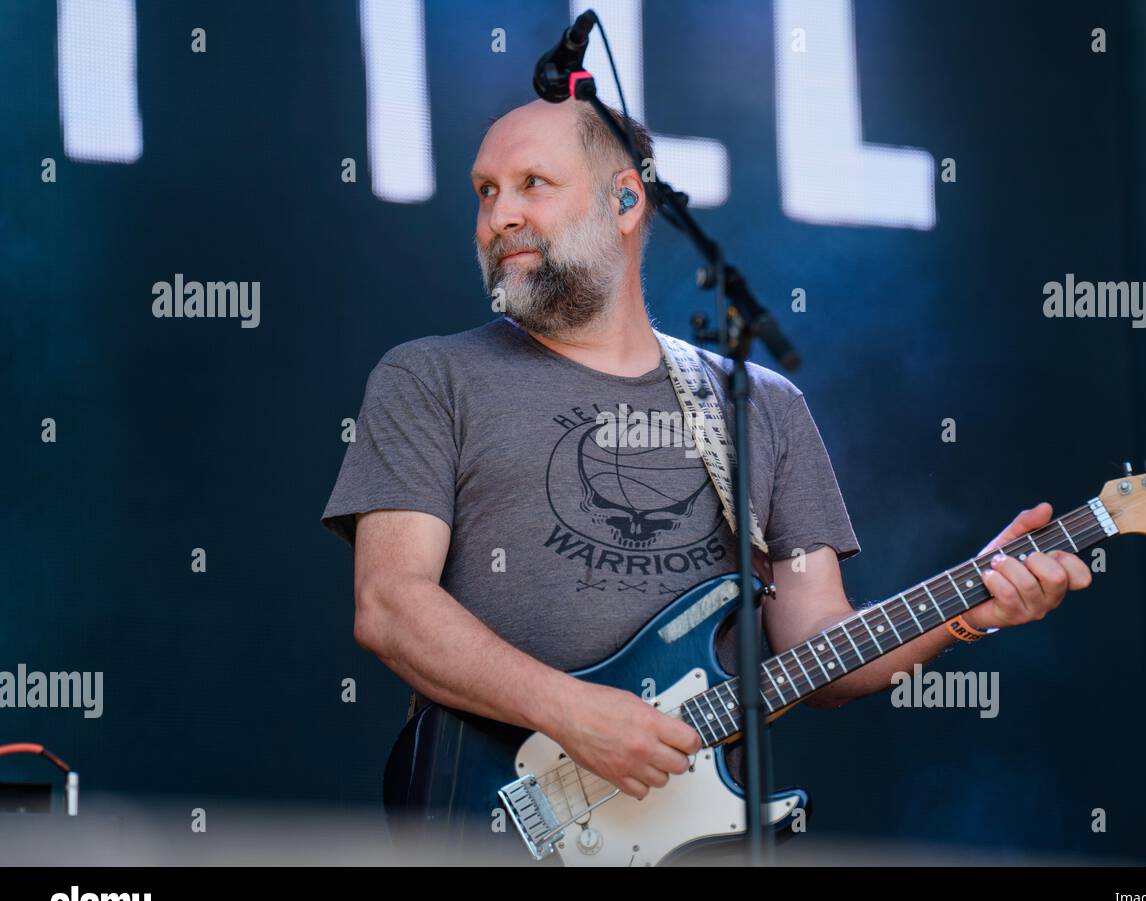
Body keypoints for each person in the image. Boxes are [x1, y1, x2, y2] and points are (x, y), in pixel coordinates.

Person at [320, 96, 1091, 849]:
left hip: (691, 835)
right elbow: (390, 605)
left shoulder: (758, 404)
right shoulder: (431, 377)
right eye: (485, 192)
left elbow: (814, 649)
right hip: (491, 816)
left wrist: (968, 606)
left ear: (626, 201)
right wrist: (571, 713)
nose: (499, 217)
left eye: (532, 185)